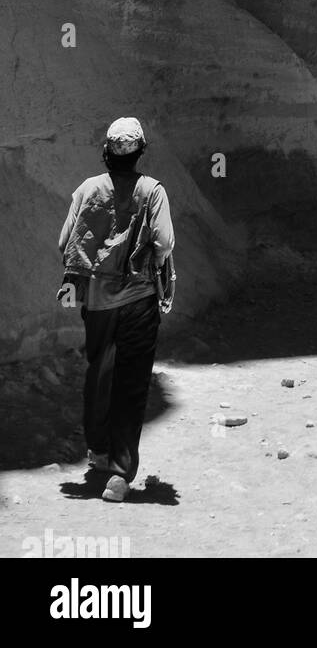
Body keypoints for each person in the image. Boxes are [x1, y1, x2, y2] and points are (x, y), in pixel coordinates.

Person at [57, 117, 174, 504]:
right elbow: (164, 241)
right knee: (132, 383)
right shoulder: (152, 191)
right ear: (140, 152)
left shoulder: (88, 189)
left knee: (100, 372)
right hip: (139, 301)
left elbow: (65, 243)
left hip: (98, 300)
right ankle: (120, 476)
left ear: (106, 153)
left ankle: (99, 452)